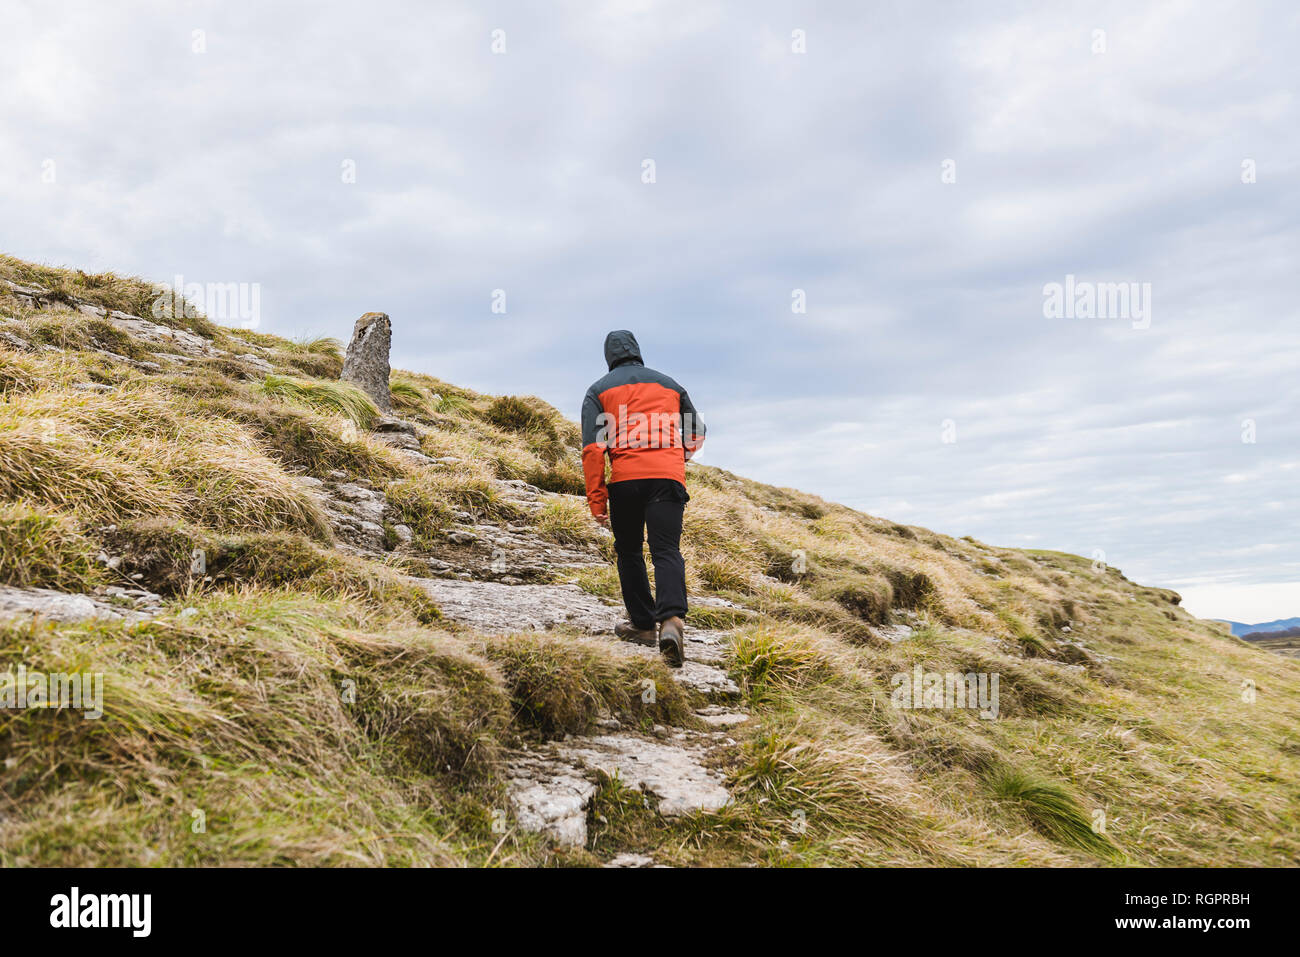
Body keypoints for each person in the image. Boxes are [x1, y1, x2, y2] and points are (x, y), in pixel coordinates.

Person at [580, 330, 706, 667]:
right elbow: (696, 431)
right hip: (667, 477)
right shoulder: (670, 385)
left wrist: (597, 500)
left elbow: (593, 449)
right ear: (638, 351)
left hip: (626, 481)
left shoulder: (598, 390)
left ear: (609, 356)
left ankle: (642, 624)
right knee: (666, 550)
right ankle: (672, 622)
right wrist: (680, 456)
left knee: (630, 551)